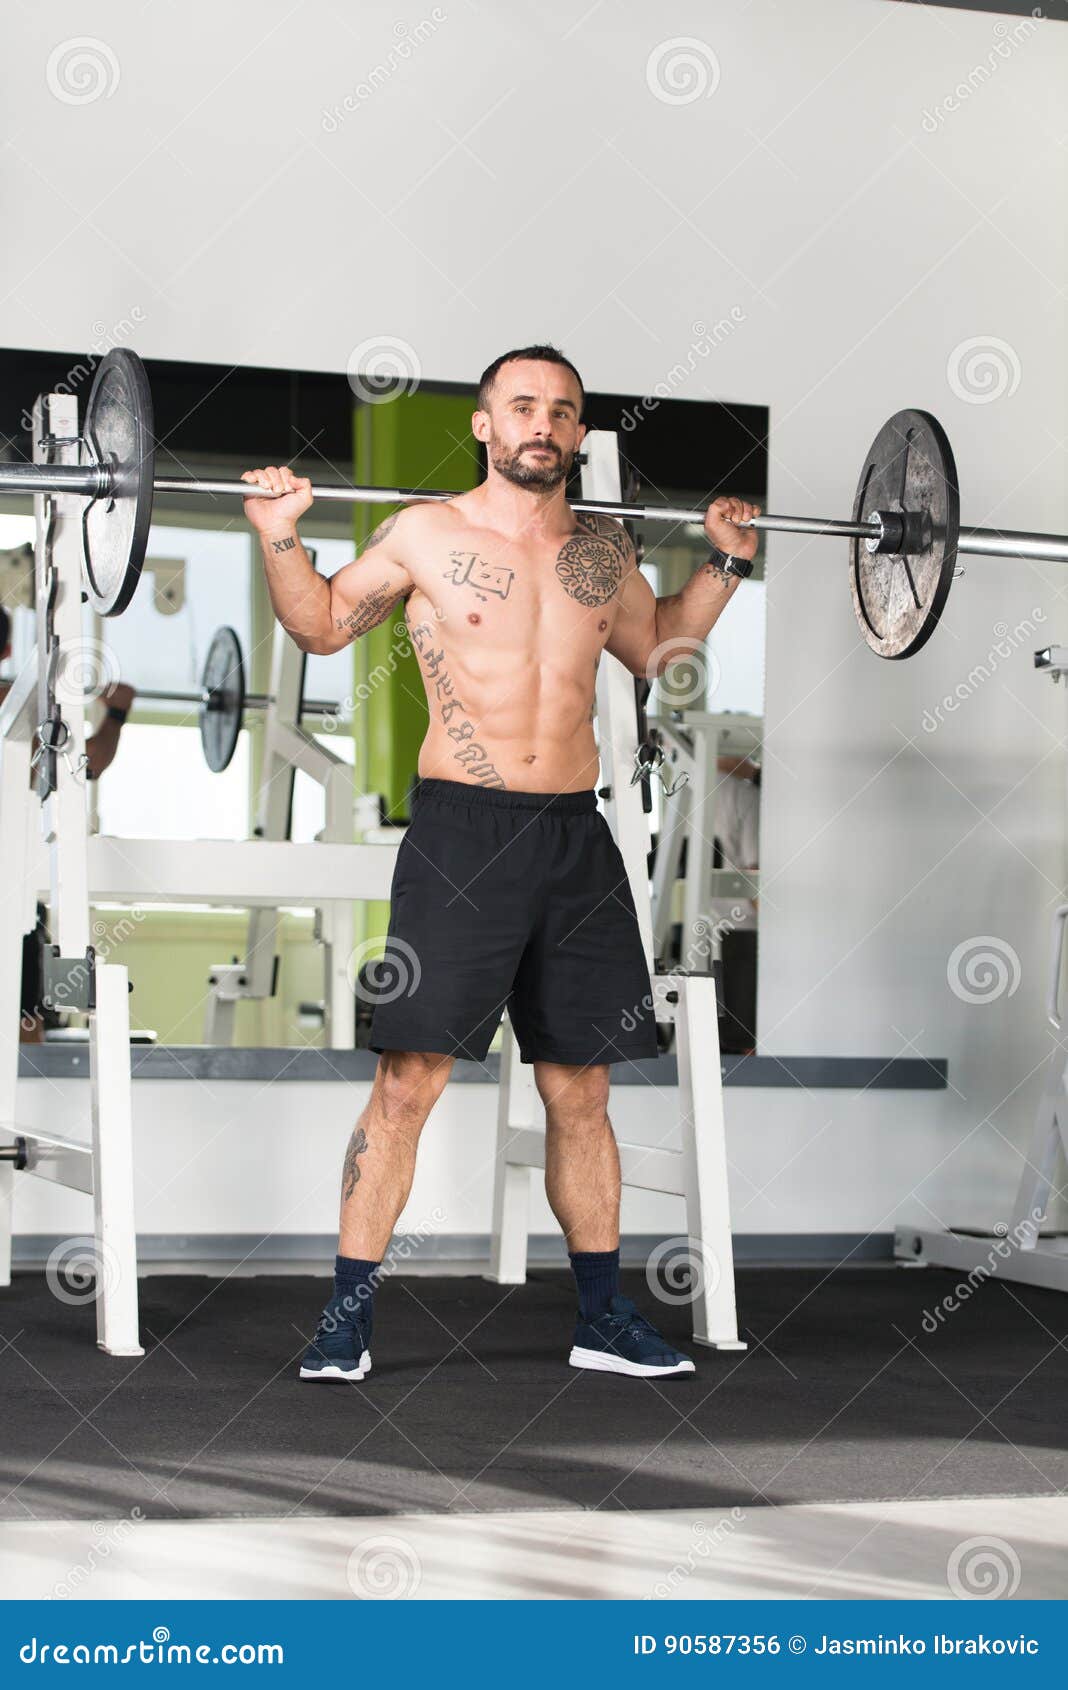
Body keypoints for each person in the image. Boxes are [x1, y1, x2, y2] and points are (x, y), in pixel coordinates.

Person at [241, 344, 759, 1382]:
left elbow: (660, 651)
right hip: (463, 835)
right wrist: (279, 539)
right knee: (407, 1082)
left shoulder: (604, 555)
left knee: (583, 1088)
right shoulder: (428, 533)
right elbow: (325, 625)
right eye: (523, 405)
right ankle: (345, 1321)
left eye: (564, 412)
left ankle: (603, 1318)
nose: (545, 424)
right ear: (485, 424)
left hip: (575, 835)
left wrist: (726, 560)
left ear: (575, 433)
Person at [0, 605, 135, 1041]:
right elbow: (87, 764)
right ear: (6, 649)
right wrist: (115, 714)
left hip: (15, 893)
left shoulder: (18, 706)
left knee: (23, 1026)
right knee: (24, 1034)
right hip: (14, 894)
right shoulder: (16, 707)